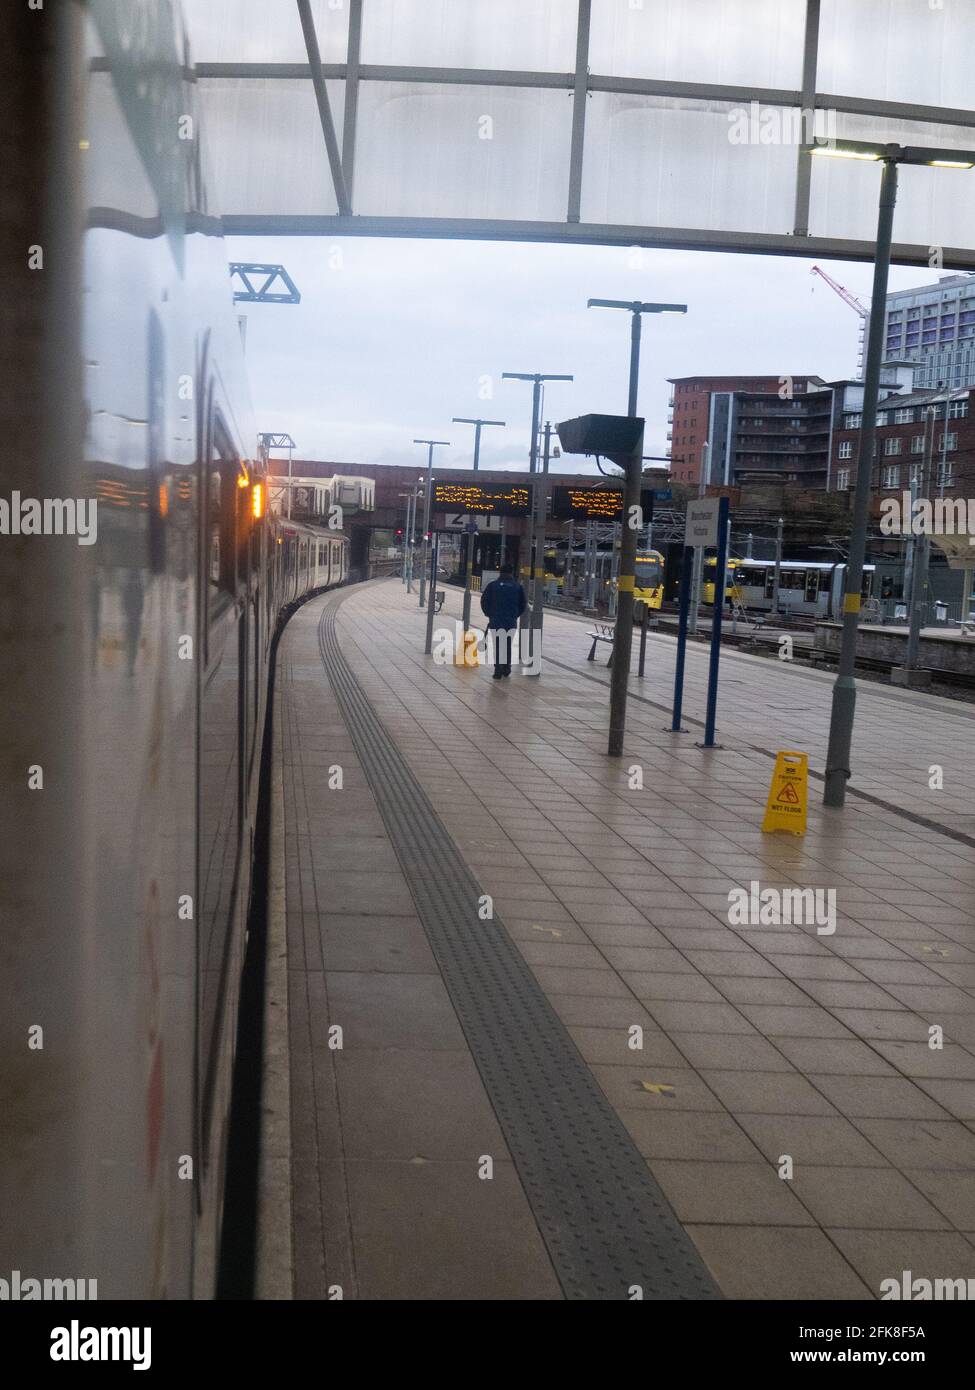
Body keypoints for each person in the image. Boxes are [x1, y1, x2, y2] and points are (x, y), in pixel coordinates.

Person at [480, 563, 526, 679]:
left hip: (496, 621)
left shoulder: (492, 586)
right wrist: (515, 615)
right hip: (510, 622)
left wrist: (489, 614)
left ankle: (498, 669)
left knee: (498, 644)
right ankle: (506, 667)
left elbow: (484, 601)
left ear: (500, 572)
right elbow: (523, 605)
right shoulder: (517, 587)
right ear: (511, 573)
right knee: (507, 644)